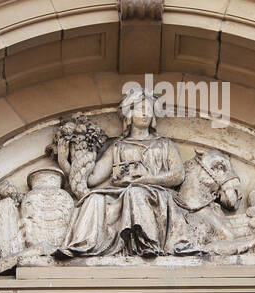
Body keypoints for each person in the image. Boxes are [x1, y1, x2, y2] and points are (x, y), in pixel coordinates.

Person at [58, 88, 194, 257]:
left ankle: (146, 243)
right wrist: (65, 161)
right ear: (129, 114)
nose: (145, 113)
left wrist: (148, 179)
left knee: (135, 192)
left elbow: (178, 174)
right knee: (94, 198)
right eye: (140, 108)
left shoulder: (164, 144)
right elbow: (91, 180)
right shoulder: (118, 146)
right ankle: (84, 245)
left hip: (156, 194)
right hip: (122, 192)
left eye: (149, 109)